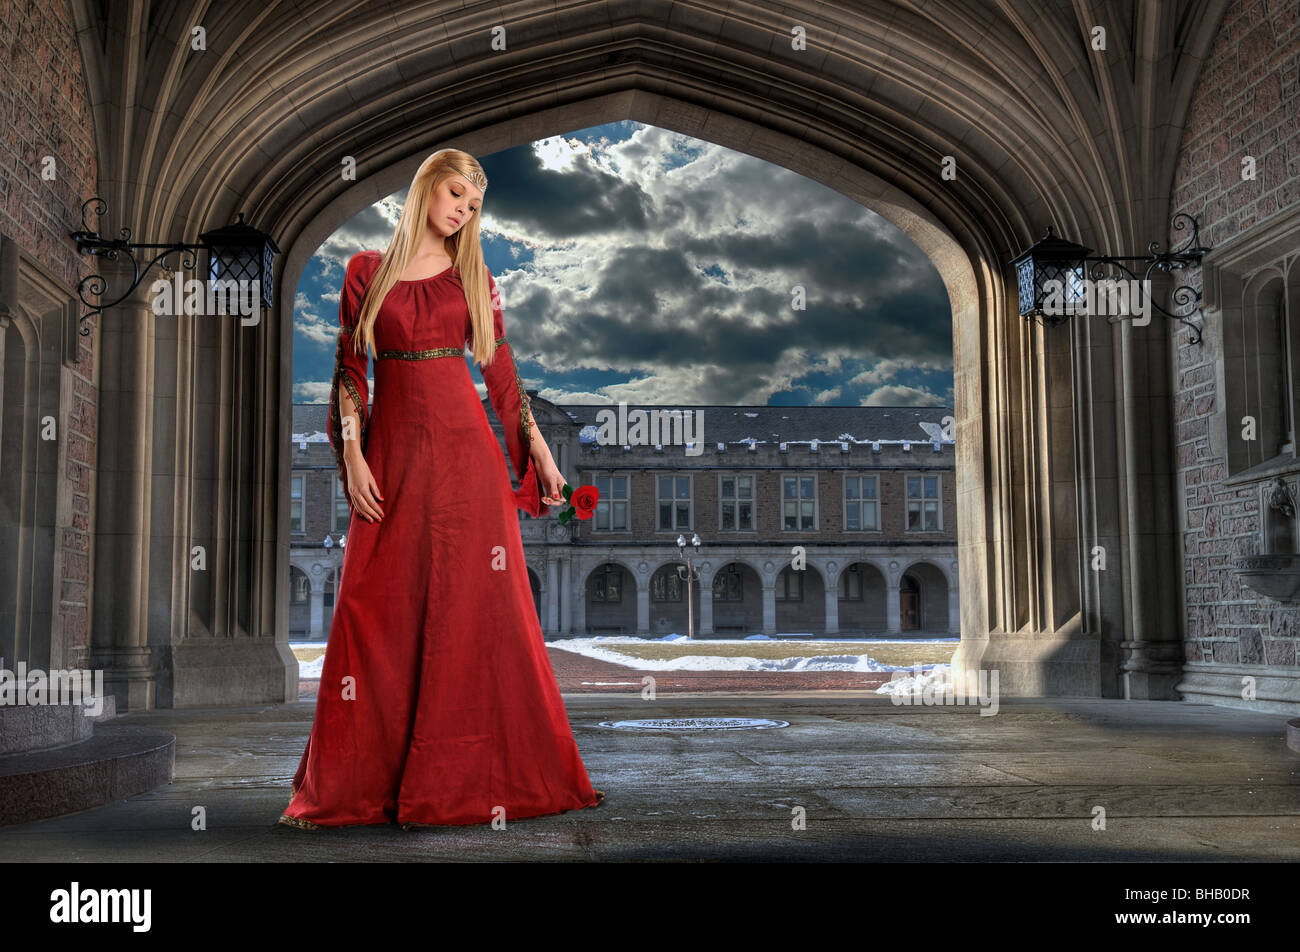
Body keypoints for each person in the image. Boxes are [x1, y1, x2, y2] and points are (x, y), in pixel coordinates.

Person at [278, 148, 604, 830]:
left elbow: (502, 373)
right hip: (393, 456)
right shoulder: (365, 270)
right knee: (374, 606)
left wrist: (539, 452)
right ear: (428, 186)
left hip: (468, 460)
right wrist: (354, 451)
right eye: (457, 193)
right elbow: (348, 369)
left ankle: (469, 780)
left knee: (480, 616)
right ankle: (364, 783)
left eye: (475, 205)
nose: (463, 209)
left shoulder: (473, 277)